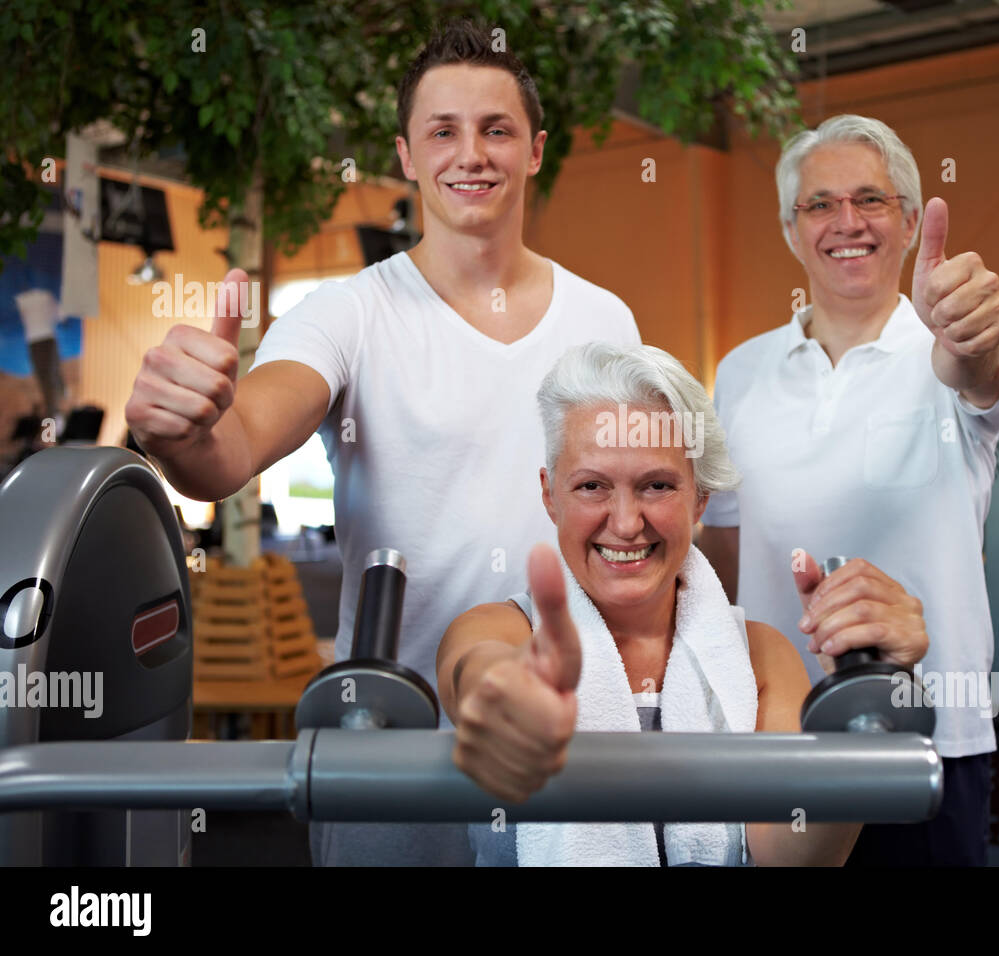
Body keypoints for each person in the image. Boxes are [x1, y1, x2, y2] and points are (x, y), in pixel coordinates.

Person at [123, 20, 640, 865]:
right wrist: (189, 426)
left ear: (535, 149)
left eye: (495, 129)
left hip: (560, 730)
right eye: (443, 131)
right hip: (389, 745)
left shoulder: (606, 320)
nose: (470, 153)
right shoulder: (347, 313)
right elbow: (233, 448)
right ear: (406, 154)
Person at [437, 341, 929, 866]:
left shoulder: (762, 657)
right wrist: (510, 695)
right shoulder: (497, 631)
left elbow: (795, 859)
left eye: (657, 485)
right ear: (549, 493)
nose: (626, 523)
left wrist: (859, 707)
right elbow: (477, 672)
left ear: (700, 497)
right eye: (591, 486)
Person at [696, 115, 999, 866]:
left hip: (927, 734)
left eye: (871, 199)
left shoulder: (949, 347)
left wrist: (973, 337)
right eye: (821, 204)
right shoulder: (741, 372)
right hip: (781, 731)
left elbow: (984, 371)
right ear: (790, 228)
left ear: (910, 221)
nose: (848, 222)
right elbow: (723, 548)